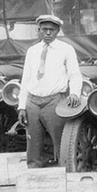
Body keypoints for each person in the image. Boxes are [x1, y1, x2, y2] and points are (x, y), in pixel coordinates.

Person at [17, 15, 82, 168]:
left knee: (61, 142)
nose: (47, 33)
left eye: (51, 30)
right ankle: (34, 173)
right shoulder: (32, 51)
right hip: (32, 102)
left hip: (54, 101)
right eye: (44, 29)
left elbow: (74, 74)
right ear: (38, 30)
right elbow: (25, 79)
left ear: (58, 31)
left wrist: (74, 93)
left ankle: (65, 172)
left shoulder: (66, 50)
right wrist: (21, 106)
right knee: (33, 144)